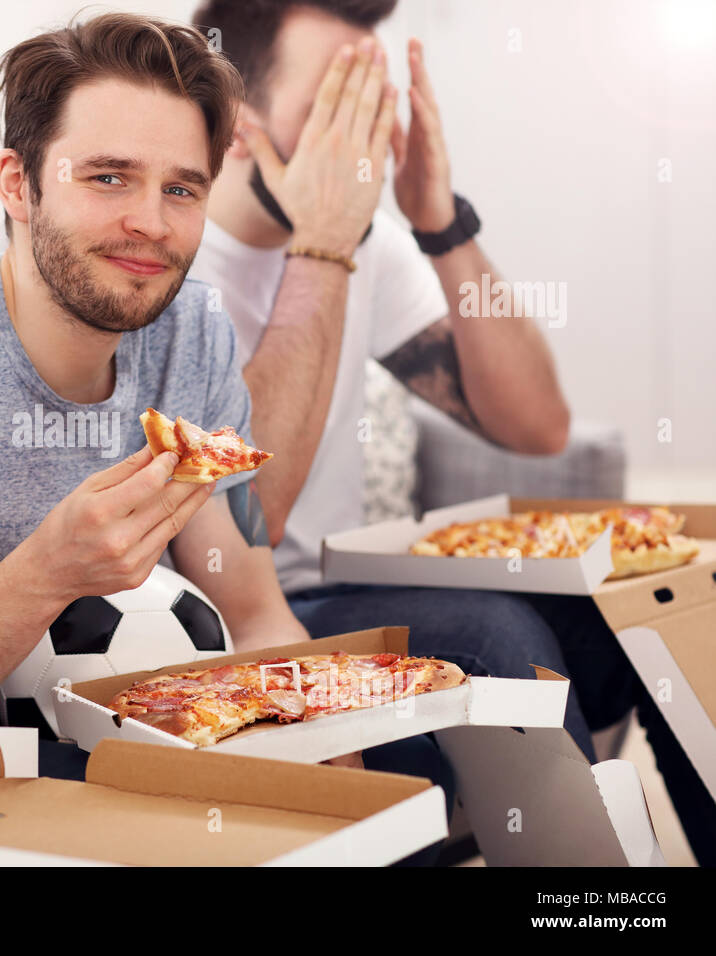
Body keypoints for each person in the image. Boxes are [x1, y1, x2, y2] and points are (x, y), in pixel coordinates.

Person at [0, 12, 454, 857]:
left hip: (142, 722)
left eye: (181, 189)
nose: (150, 223)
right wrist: (45, 575)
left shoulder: (191, 332)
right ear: (18, 185)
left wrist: (331, 780)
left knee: (478, 672)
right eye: (109, 178)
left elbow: (255, 612)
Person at [187, 0, 713, 865]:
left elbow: (537, 426)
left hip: (342, 583)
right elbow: (254, 519)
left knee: (659, 608)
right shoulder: (177, 262)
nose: (366, 136)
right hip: (243, 609)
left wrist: (438, 221)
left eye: (377, 101)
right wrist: (323, 242)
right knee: (496, 638)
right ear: (242, 131)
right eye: (338, 103)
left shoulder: (374, 243)